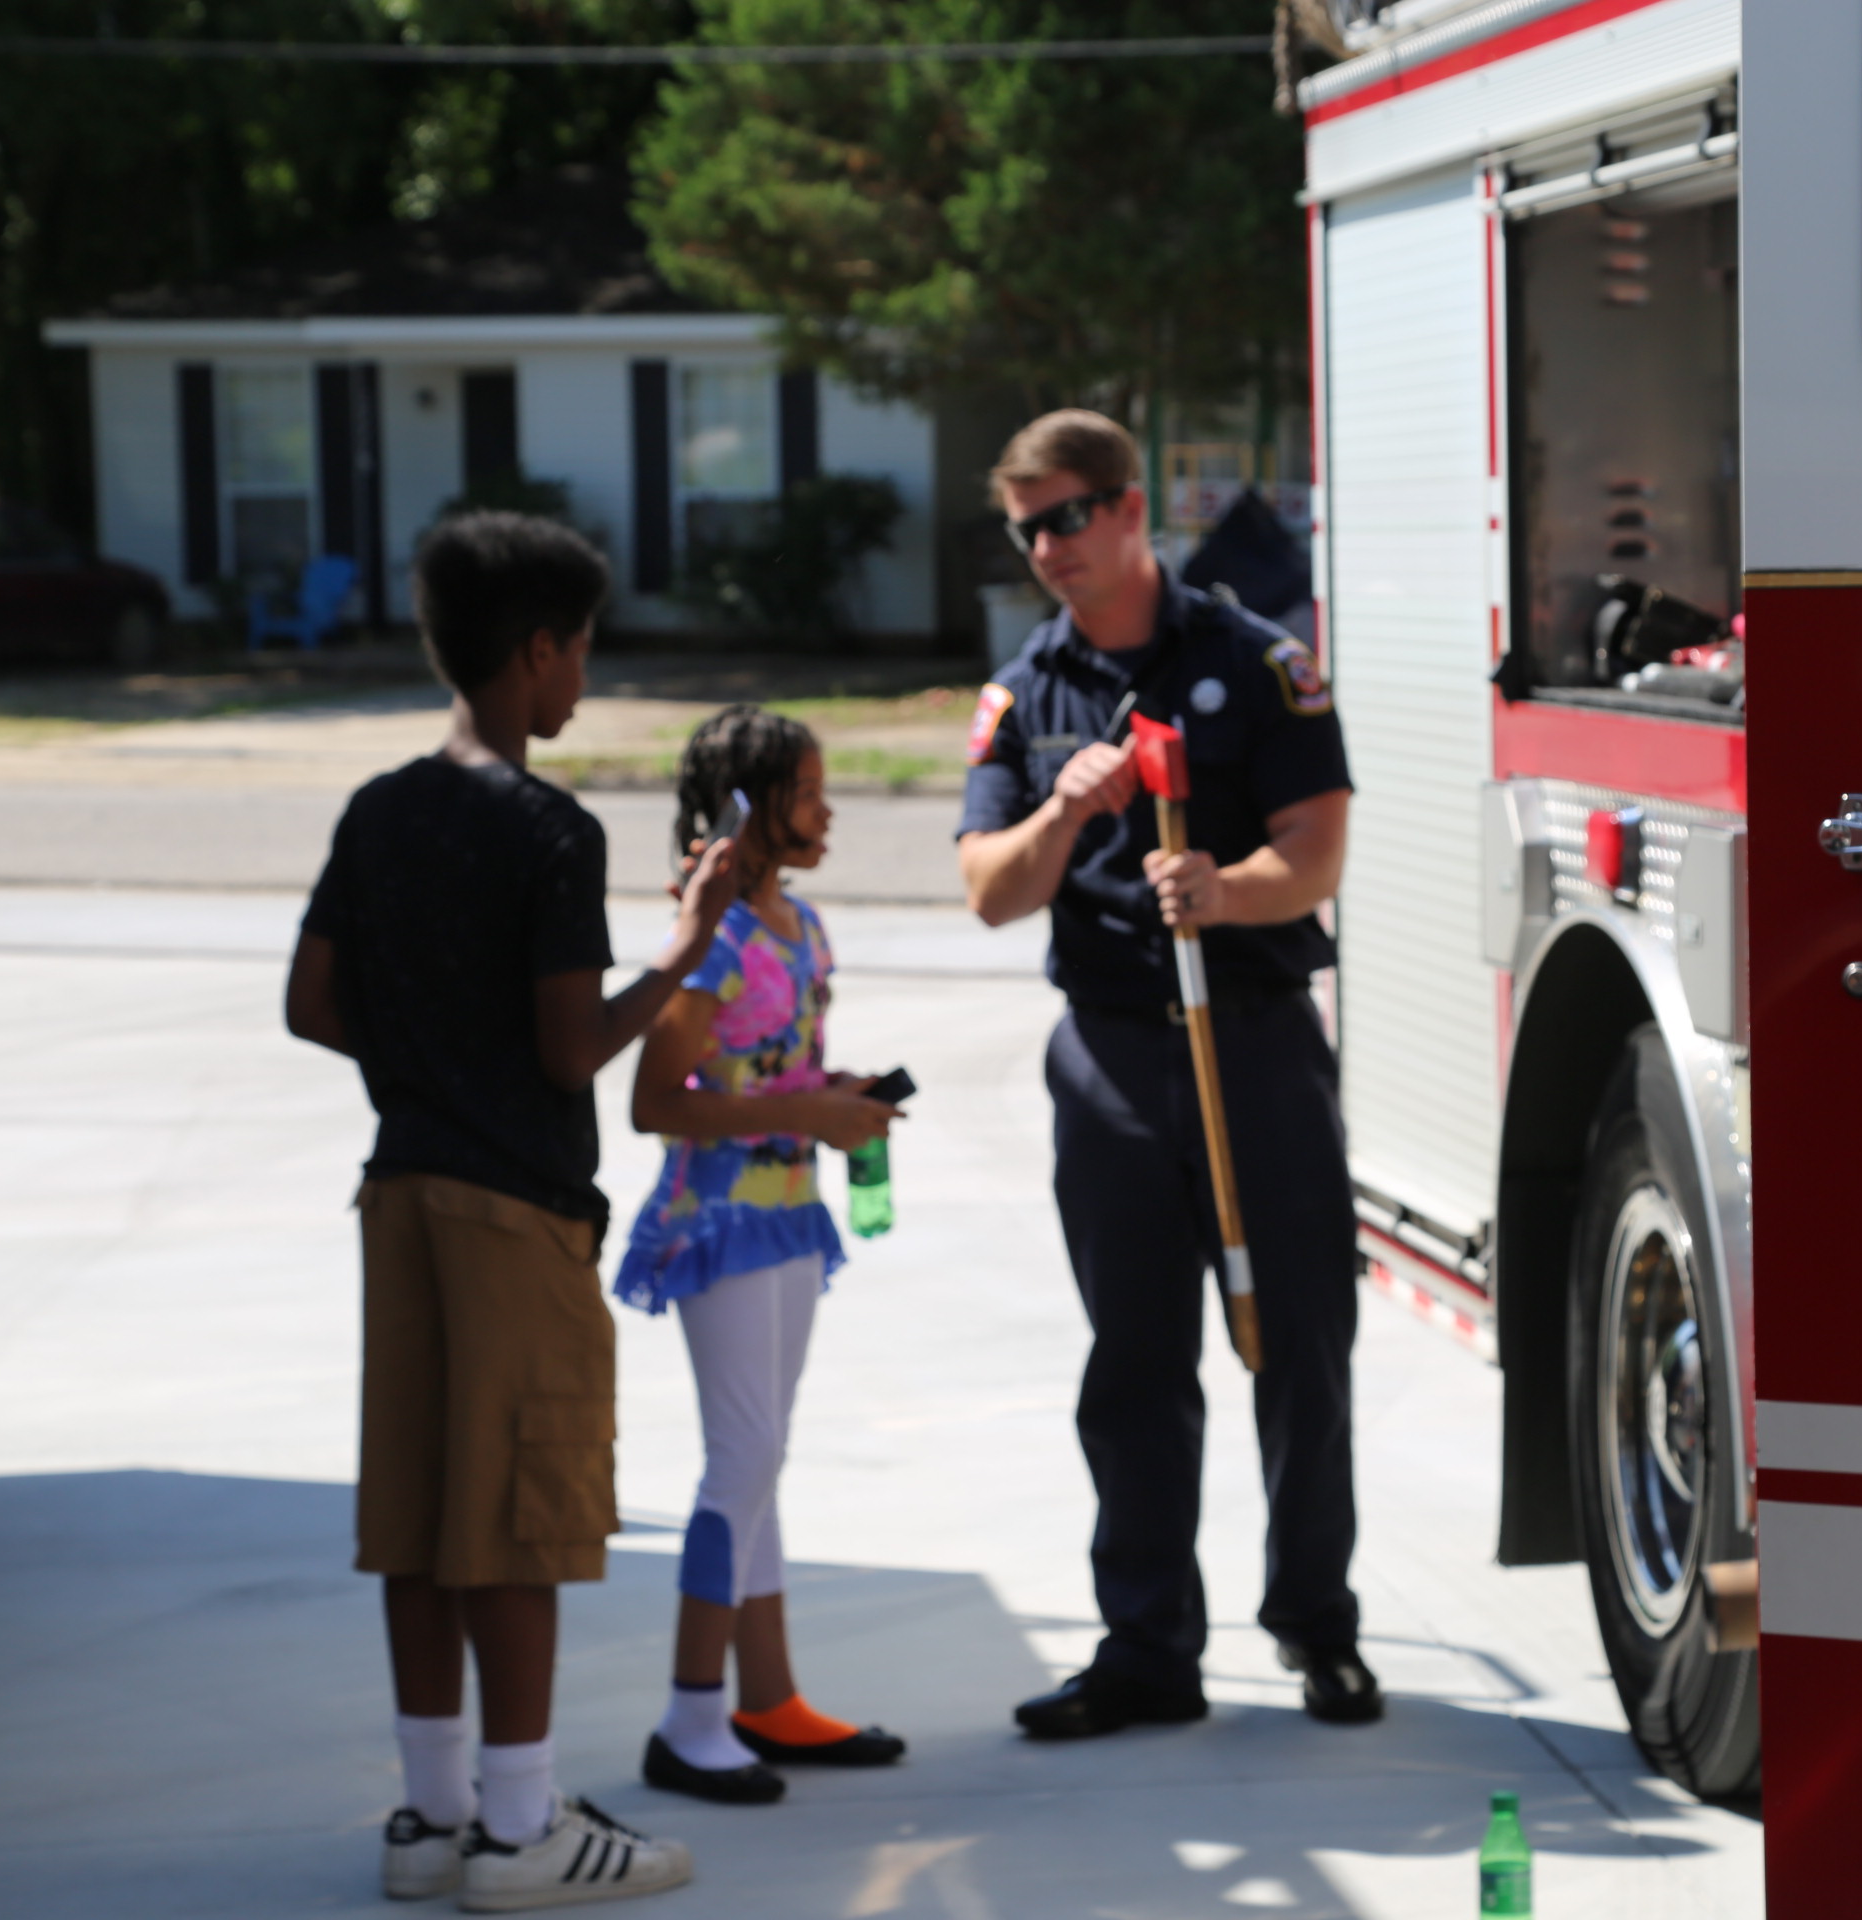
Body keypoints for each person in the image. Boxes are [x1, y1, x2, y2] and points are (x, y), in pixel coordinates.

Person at [284, 511, 727, 1910]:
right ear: (537, 649)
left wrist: (430, 1060)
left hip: (400, 1193)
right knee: (523, 1515)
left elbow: (311, 1003)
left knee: (420, 1515)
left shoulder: (380, 808)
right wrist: (683, 949)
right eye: (580, 651)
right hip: (515, 1211)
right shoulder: (550, 829)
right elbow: (567, 1049)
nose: (584, 677)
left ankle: (432, 1817)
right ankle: (524, 1825)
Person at [956, 410, 1375, 1737]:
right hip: (1114, 1058)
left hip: (1252, 1039)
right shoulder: (1027, 692)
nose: (1048, 549)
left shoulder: (1257, 662)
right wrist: (1066, 808)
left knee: (1301, 1343)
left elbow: (1315, 849)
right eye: (1027, 530)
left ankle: (1317, 1625)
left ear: (1132, 509)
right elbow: (988, 890)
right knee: (1135, 1360)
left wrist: (1225, 889)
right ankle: (1147, 1649)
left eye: (1068, 517)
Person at [613, 707, 909, 1805]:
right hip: (720, 1222)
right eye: (809, 793)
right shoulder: (717, 939)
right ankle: (690, 1719)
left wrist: (836, 1098)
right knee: (741, 1459)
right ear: (747, 808)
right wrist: (806, 1114)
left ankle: (767, 1701)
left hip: (789, 1216)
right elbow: (656, 1102)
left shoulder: (803, 926)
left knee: (761, 1457)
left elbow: (773, 1070)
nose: (828, 811)